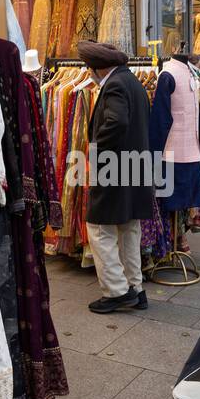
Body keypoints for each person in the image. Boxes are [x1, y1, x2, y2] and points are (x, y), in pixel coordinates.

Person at [79, 40, 155, 314]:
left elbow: (117, 122)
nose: (89, 73)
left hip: (114, 169)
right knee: (128, 229)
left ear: (99, 68)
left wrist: (96, 151)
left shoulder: (114, 85)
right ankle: (136, 288)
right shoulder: (133, 82)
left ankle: (116, 292)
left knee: (99, 229)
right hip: (134, 168)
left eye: (89, 68)